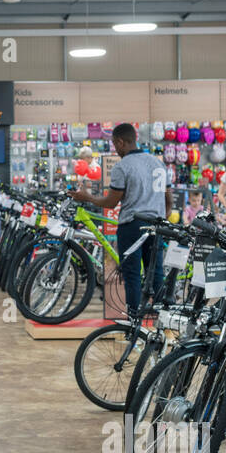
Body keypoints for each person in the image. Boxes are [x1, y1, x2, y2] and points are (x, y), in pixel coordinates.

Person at [69, 123, 170, 314]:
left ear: (120, 142)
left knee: (131, 274)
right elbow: (169, 199)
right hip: (156, 224)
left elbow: (110, 202)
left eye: (115, 144)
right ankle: (162, 319)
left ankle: (133, 319)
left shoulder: (122, 167)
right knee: (155, 272)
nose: (115, 148)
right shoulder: (158, 163)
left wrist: (87, 197)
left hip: (132, 226)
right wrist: (161, 219)